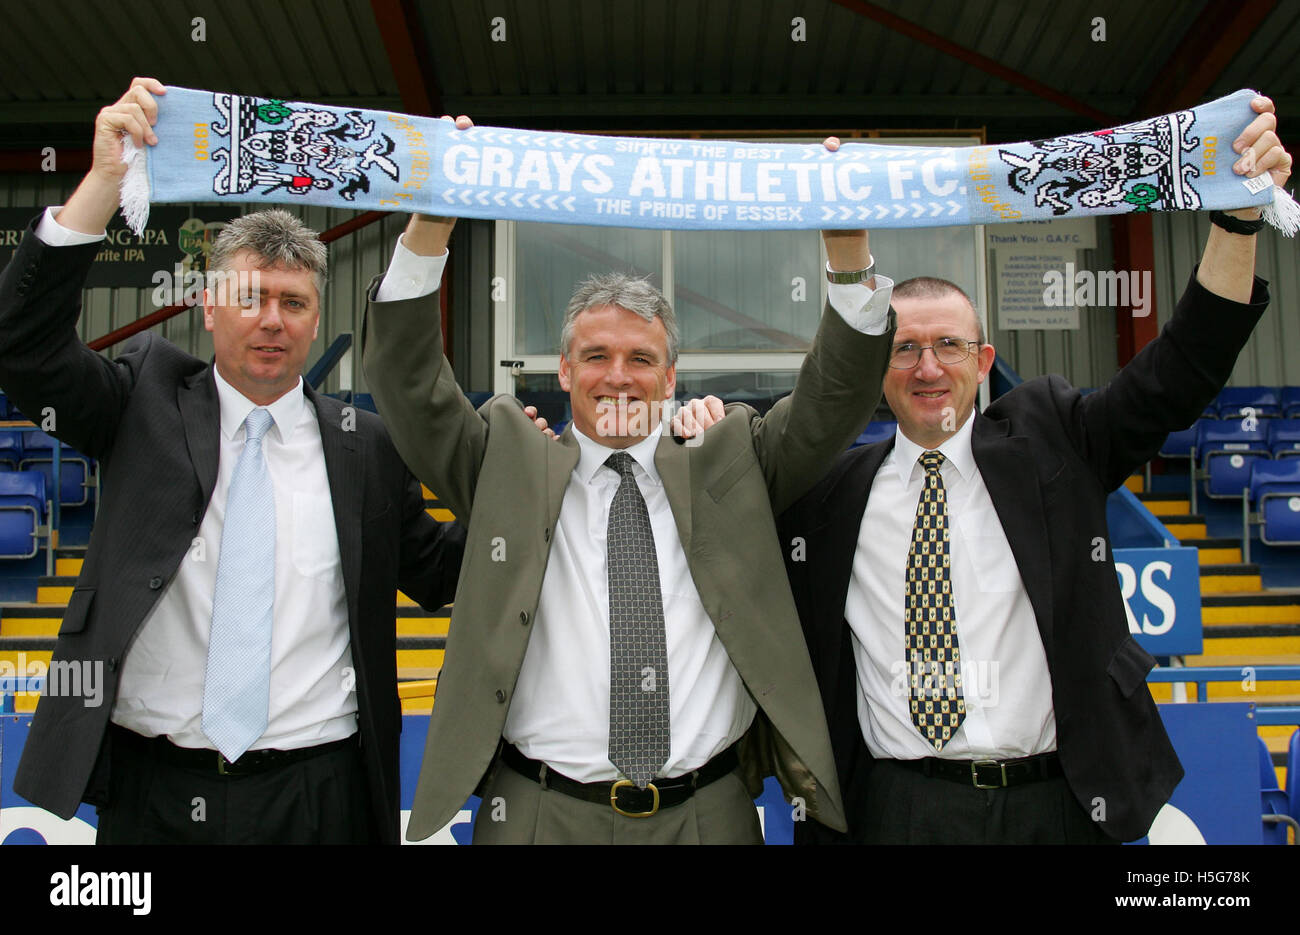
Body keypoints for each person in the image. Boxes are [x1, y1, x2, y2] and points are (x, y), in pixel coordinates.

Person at [772, 95, 1291, 844]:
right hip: (895, 808)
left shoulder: (1056, 440)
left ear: (984, 363)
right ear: (875, 371)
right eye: (904, 348)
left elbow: (1180, 372)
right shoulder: (827, 493)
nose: (927, 366)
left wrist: (1238, 220)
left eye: (949, 346)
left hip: (1057, 806)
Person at [361, 123, 897, 842]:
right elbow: (407, 379)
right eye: (596, 355)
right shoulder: (504, 464)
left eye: (642, 358)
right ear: (563, 369)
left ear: (671, 376)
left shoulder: (729, 455)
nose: (618, 375)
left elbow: (835, 396)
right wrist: (433, 220)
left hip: (708, 814)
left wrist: (845, 256)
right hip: (535, 812)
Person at [0, 78, 495, 843]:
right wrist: (102, 181)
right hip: (154, 794)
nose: (271, 319)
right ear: (207, 305)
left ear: (316, 317)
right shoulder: (143, 402)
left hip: (320, 795)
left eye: (293, 302)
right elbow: (24, 346)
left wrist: (523, 477)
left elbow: (443, 573)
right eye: (250, 296)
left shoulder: (365, 447)